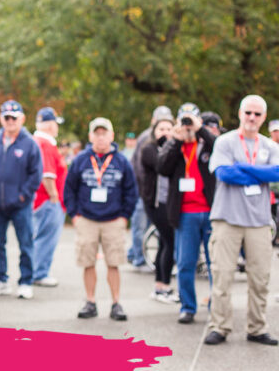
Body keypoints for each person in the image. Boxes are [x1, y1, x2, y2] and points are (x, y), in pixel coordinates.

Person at [205, 94, 279, 345]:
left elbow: (277, 172)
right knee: (222, 276)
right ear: (240, 113)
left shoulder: (270, 146)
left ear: (264, 118)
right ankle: (220, 326)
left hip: (258, 221)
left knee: (260, 278)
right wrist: (260, 174)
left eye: (257, 114)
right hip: (227, 219)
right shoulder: (224, 142)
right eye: (248, 112)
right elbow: (225, 174)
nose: (252, 118)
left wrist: (244, 167)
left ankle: (257, 327)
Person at [63, 116, 138, 321]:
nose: (101, 137)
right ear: (90, 136)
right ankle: (90, 301)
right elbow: (69, 188)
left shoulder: (122, 161)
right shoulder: (80, 159)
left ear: (111, 136)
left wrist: (125, 216)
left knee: (114, 262)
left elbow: (131, 191)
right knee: (88, 261)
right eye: (97, 133)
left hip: (113, 220)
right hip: (86, 218)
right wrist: (75, 216)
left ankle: (116, 303)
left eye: (104, 133)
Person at [157, 104, 216, 324]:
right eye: (185, 121)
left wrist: (200, 130)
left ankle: (215, 304)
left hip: (210, 211)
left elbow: (218, 148)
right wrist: (176, 139)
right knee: (185, 263)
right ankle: (188, 306)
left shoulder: (207, 144)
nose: (188, 126)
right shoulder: (175, 145)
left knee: (214, 263)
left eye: (191, 121)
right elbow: (162, 167)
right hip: (184, 213)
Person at [0, 100, 43, 300]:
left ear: (22, 119)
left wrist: (23, 195)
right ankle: (0, 280)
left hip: (21, 205)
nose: (10, 121)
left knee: (25, 244)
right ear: (1, 118)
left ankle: (26, 281)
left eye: (13, 117)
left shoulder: (30, 144)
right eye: (6, 117)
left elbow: (36, 174)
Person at [139, 112, 176, 301]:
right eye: (162, 129)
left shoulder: (174, 148)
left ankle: (160, 285)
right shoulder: (149, 149)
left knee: (164, 242)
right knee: (170, 241)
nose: (166, 132)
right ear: (155, 131)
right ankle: (164, 286)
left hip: (170, 202)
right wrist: (171, 144)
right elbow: (163, 166)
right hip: (155, 203)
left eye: (169, 129)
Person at [32, 106, 67, 287]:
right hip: (47, 200)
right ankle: (40, 272)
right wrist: (54, 198)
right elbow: (47, 174)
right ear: (49, 124)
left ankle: (38, 270)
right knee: (46, 237)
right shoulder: (44, 143)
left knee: (42, 236)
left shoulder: (40, 141)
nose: (57, 127)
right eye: (55, 123)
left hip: (43, 199)